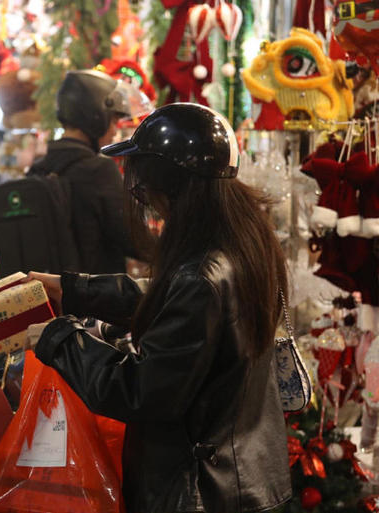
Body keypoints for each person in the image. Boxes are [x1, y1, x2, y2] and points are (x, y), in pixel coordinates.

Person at [26, 103, 291, 513]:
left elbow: (139, 392)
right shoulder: (244, 242)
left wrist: (58, 337)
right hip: (245, 477)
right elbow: (168, 300)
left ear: (170, 187)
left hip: (200, 491)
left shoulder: (201, 275)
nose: (144, 202)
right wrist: (72, 290)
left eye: (142, 189)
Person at [27, 69, 136, 273]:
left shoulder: (38, 168)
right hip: (95, 297)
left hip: (52, 296)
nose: (114, 130)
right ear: (94, 114)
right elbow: (133, 240)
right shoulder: (99, 169)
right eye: (113, 120)